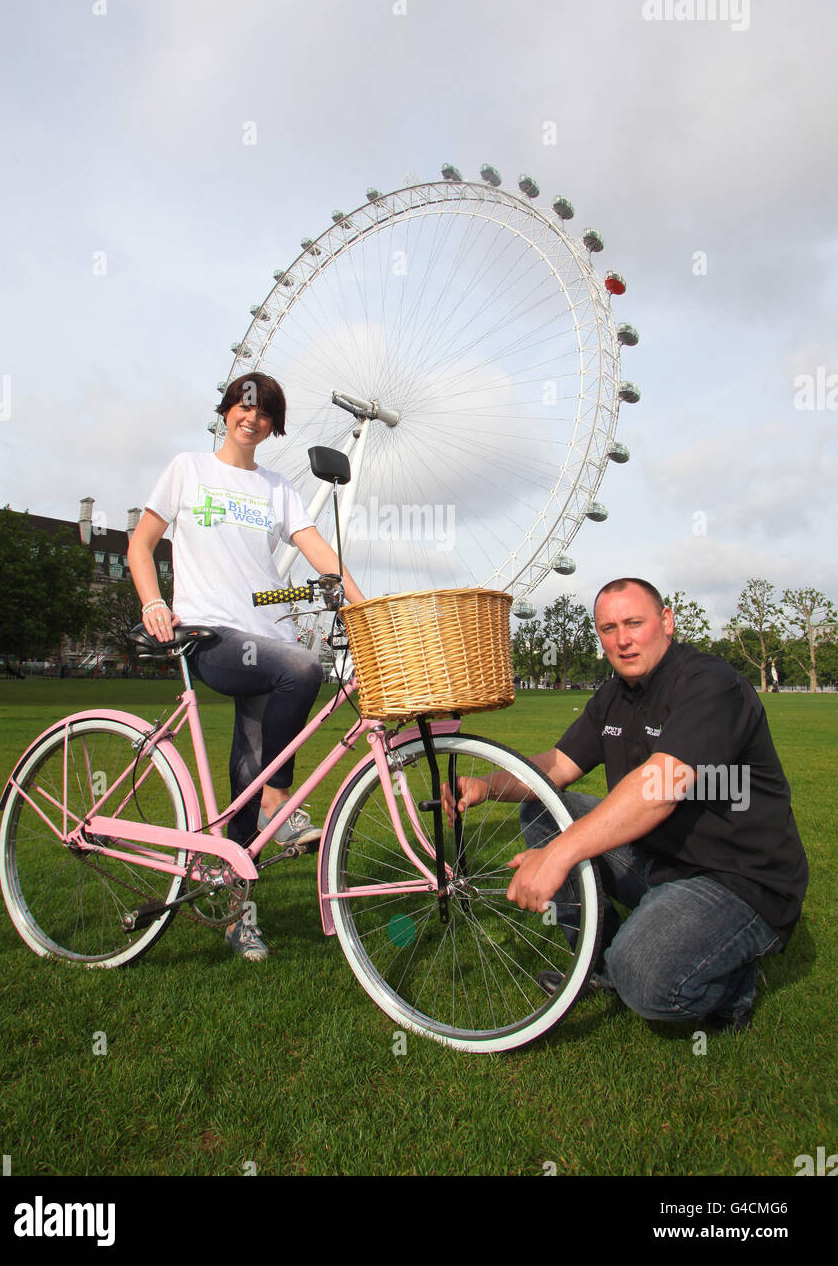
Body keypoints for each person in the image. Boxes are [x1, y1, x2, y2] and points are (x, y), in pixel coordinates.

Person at [444, 578, 808, 1031]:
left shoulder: (712, 685)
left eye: (634, 622)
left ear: (666, 621)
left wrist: (559, 854)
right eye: (608, 627)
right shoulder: (614, 694)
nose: (622, 639)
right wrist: (485, 785)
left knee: (642, 979)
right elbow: (557, 765)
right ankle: (596, 963)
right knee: (542, 810)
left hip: (738, 877)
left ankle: (732, 984)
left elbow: (659, 788)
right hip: (661, 859)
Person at [128, 371, 364, 962]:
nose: (251, 418)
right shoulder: (187, 469)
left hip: (267, 635)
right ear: (228, 409)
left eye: (264, 413)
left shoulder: (277, 487)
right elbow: (141, 543)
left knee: (248, 772)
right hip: (212, 635)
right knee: (306, 670)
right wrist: (154, 601)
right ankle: (278, 805)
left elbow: (320, 554)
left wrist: (368, 610)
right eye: (243, 405)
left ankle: (238, 910)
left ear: (272, 425)